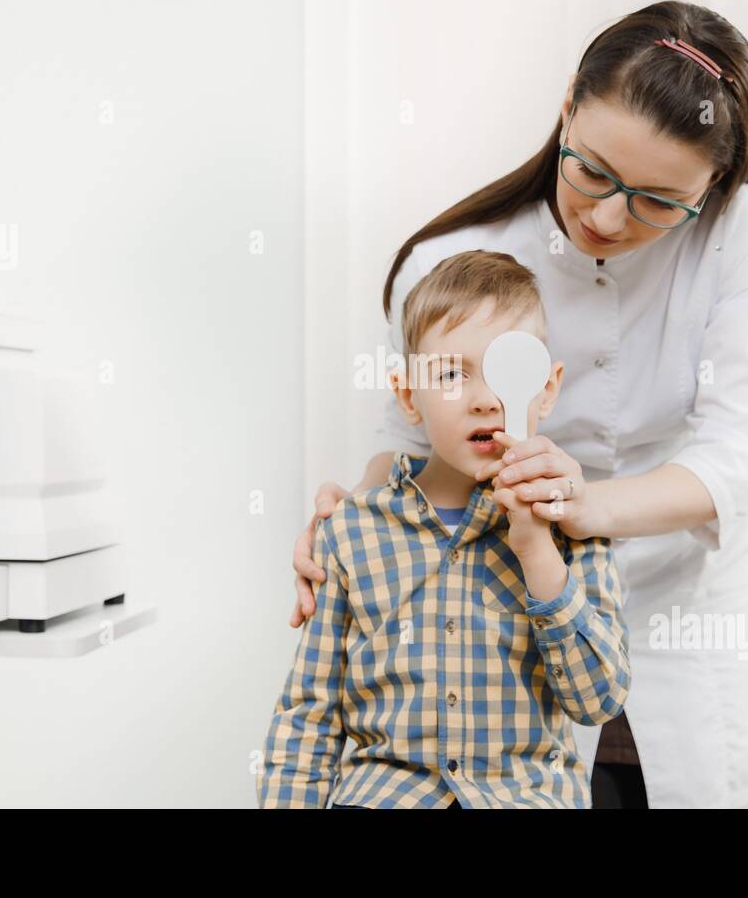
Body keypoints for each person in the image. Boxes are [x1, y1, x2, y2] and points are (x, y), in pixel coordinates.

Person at [290, 0, 748, 808]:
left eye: (658, 201)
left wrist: (578, 504)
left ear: (716, 187)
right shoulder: (450, 260)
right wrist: (358, 512)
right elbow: (408, 442)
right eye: (591, 170)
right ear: (566, 107)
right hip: (505, 623)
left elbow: (739, 455)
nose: (604, 216)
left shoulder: (739, 234)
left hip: (684, 609)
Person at [259, 251, 629, 808]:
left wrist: (536, 552)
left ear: (546, 389)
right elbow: (308, 713)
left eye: (505, 372)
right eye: (451, 374)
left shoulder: (573, 527)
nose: (483, 399)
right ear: (408, 395)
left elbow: (597, 699)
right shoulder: (353, 532)